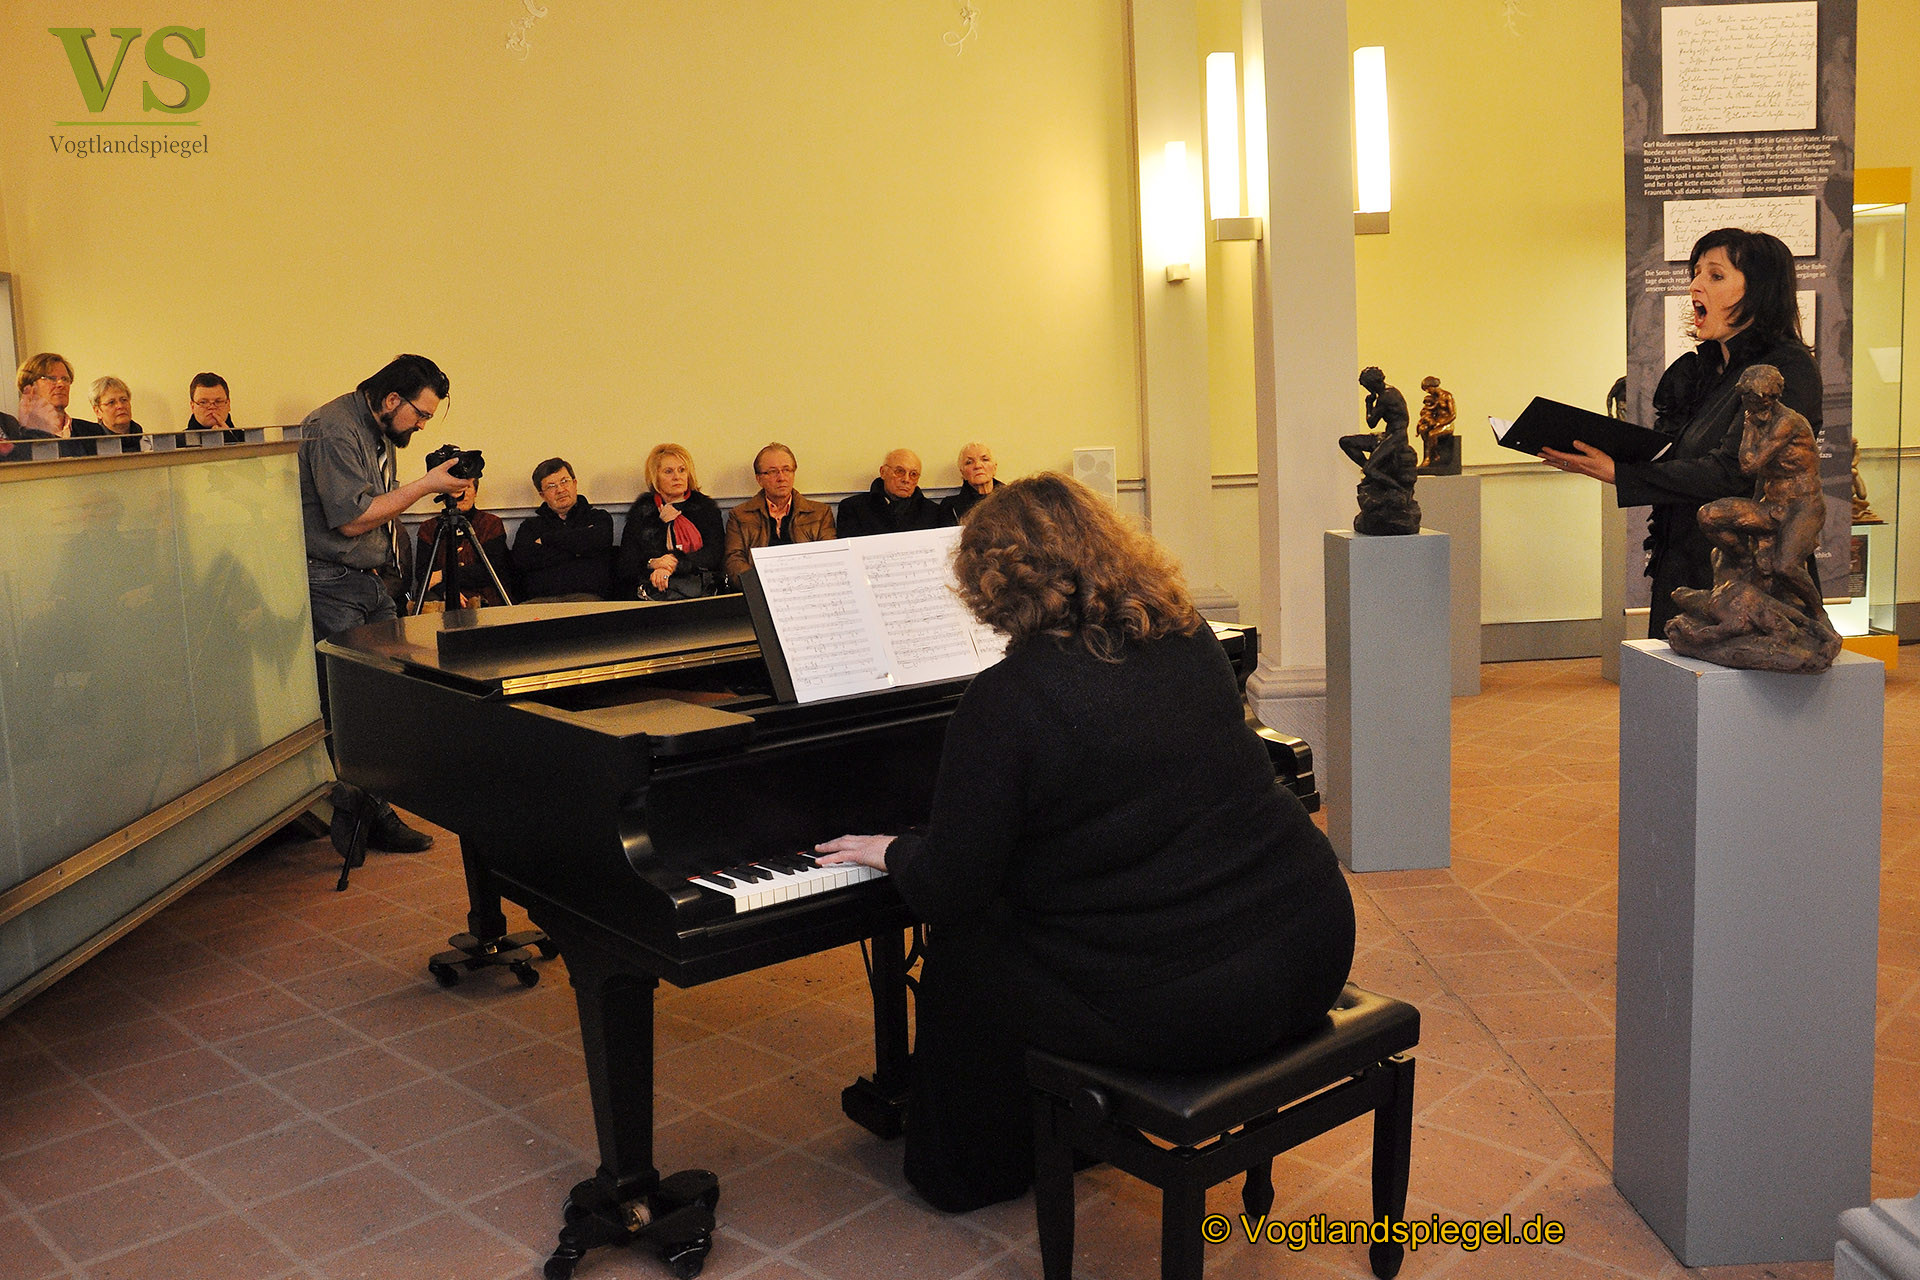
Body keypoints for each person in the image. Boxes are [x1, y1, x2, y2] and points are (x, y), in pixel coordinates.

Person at [816, 473, 1355, 1213]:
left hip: (1198, 1005)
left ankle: (977, 1166)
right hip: (1311, 942)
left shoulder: (1009, 698)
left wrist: (896, 849)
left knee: (967, 951)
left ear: (990, 584)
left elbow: (951, 888)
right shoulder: (1189, 636)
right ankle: (1058, 1127)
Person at [1541, 227, 1820, 638]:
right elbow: (1683, 454)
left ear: (1759, 291)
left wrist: (1622, 474)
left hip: (1749, 572)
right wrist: (1611, 450)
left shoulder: (1785, 370)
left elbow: (1733, 471)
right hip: (1689, 556)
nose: (1695, 285)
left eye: (1715, 275)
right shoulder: (1709, 370)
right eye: (1696, 272)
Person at [299, 353, 467, 852]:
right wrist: (426, 485)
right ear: (391, 399)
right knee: (352, 706)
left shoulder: (374, 428)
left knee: (388, 701)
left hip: (370, 580)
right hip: (331, 581)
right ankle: (362, 811)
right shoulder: (334, 428)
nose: (420, 425)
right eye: (420, 414)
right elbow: (351, 519)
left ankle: (369, 807)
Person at [616, 443, 726, 600]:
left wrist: (675, 563)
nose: (677, 477)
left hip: (700, 590)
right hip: (650, 593)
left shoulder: (705, 509)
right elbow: (626, 564)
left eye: (682, 470)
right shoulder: (642, 512)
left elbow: (714, 555)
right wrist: (653, 563)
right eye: (668, 471)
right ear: (655, 477)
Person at [722, 442, 836, 584]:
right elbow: (734, 560)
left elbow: (829, 558)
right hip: (760, 590)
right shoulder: (739, 515)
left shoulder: (820, 513)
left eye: (786, 470)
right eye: (772, 471)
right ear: (759, 479)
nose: (781, 477)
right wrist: (761, 586)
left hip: (808, 589)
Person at [512, 457, 615, 601]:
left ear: (575, 483)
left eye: (564, 481)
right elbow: (522, 561)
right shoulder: (530, 527)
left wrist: (547, 539)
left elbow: (599, 540)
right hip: (540, 603)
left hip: (588, 600)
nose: (560, 490)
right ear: (542, 495)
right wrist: (577, 550)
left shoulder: (598, 518)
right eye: (551, 486)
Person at [414, 477, 512, 610]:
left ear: (476, 492)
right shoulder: (430, 528)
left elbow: (491, 569)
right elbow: (424, 575)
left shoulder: (490, 523)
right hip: (441, 599)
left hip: (485, 599)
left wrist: (443, 575)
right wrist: (446, 590)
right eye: (457, 489)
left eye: (468, 487)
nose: (463, 494)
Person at [836, 448, 956, 538]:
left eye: (913, 474)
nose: (906, 479)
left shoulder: (933, 512)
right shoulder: (853, 508)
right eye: (900, 471)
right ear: (883, 472)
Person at [940, 441, 1004, 522]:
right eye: (969, 462)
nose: (977, 466)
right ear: (963, 473)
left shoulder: (1013, 499)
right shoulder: (950, 507)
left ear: (994, 468)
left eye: (985, 460)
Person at [187, 372, 245, 444]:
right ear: (192, 406)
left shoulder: (249, 440)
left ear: (228, 404)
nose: (211, 407)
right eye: (203, 402)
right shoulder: (176, 443)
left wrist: (230, 440)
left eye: (218, 401)